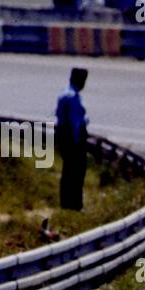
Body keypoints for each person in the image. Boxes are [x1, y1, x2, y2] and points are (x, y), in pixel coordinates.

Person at [56, 67, 89, 210]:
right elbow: (75, 122)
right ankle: (74, 204)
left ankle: (66, 201)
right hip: (72, 136)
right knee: (77, 170)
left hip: (63, 134)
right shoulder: (73, 97)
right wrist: (77, 142)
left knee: (68, 170)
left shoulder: (65, 93)